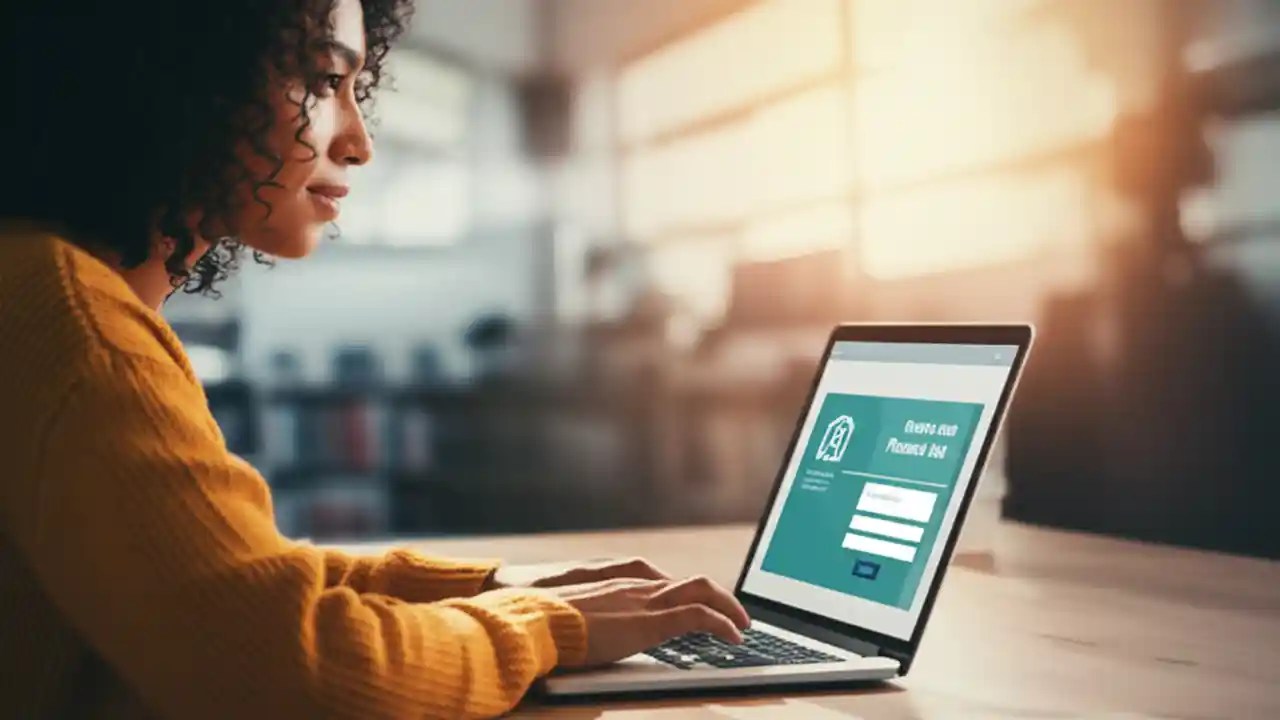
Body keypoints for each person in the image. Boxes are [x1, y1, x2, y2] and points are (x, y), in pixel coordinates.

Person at [0, 1, 750, 717]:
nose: (359, 140)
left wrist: (501, 583)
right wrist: (542, 627)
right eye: (326, 80)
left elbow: (225, 582)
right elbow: (302, 671)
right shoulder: (75, 325)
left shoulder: (40, 288)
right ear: (184, 73)